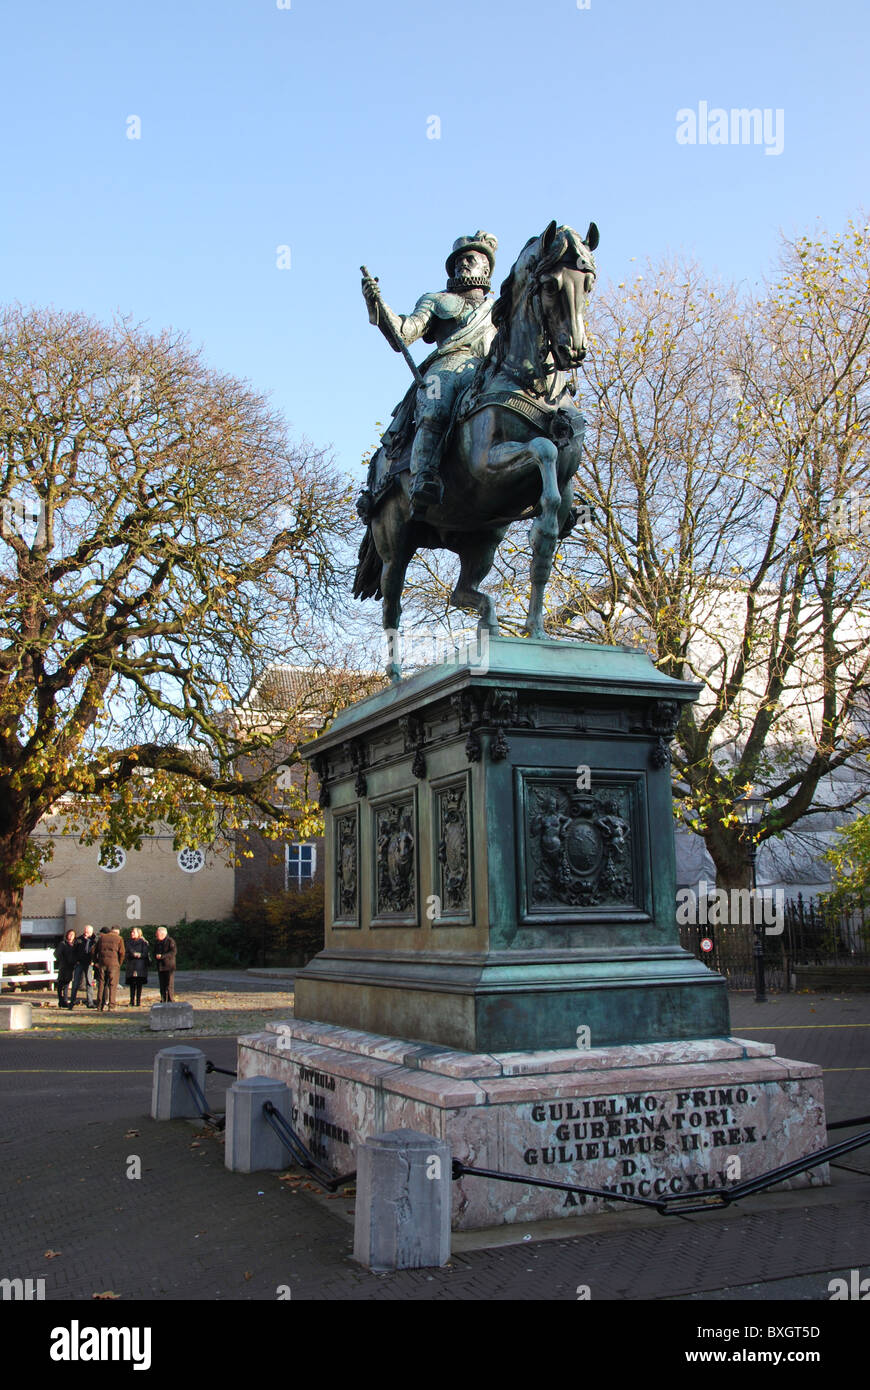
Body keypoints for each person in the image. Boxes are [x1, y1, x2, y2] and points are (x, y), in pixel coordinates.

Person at [361, 232, 498, 517]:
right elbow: (403, 333)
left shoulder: (501, 308)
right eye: (458, 260)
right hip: (446, 366)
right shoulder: (436, 300)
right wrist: (378, 304)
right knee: (435, 402)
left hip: (489, 370)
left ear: (485, 268)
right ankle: (424, 475)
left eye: (469, 259)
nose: (462, 264)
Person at [93, 924, 125, 1012]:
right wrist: (119, 963)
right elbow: (122, 953)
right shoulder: (119, 939)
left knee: (101, 984)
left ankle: (99, 1005)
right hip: (114, 964)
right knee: (113, 985)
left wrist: (96, 961)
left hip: (102, 963)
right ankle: (111, 1005)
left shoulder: (102, 938)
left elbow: (93, 951)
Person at [70, 923, 97, 1008]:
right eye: (85, 931)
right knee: (76, 983)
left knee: (89, 982)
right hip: (80, 963)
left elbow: (96, 952)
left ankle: (90, 1002)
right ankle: (72, 1002)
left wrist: (93, 961)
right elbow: (73, 951)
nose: (86, 933)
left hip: (89, 963)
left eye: (88, 932)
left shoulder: (94, 941)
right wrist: (76, 961)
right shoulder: (79, 940)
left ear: (91, 932)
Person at [125, 926, 151, 1006]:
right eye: (131, 932)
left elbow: (146, 953)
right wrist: (132, 954)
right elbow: (127, 952)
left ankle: (138, 1001)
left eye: (134, 932)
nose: (132, 933)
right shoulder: (128, 942)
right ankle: (132, 1001)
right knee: (132, 984)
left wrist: (140, 955)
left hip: (140, 966)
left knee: (139, 984)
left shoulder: (144, 942)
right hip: (131, 966)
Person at [54, 929, 77, 1009]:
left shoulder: (74, 945)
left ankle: (65, 1000)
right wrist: (61, 961)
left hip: (70, 966)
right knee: (60, 983)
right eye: (70, 934)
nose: (71, 936)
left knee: (67, 983)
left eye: (72, 935)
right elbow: (57, 954)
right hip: (63, 966)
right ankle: (61, 1000)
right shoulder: (63, 944)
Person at [153, 927, 177, 1003]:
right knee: (162, 984)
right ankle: (163, 999)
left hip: (169, 966)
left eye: (157, 933)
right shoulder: (157, 942)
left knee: (169, 984)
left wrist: (162, 956)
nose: (156, 935)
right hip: (160, 966)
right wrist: (156, 956)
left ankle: (170, 1000)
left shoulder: (170, 941)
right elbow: (154, 951)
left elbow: (173, 952)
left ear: (162, 934)